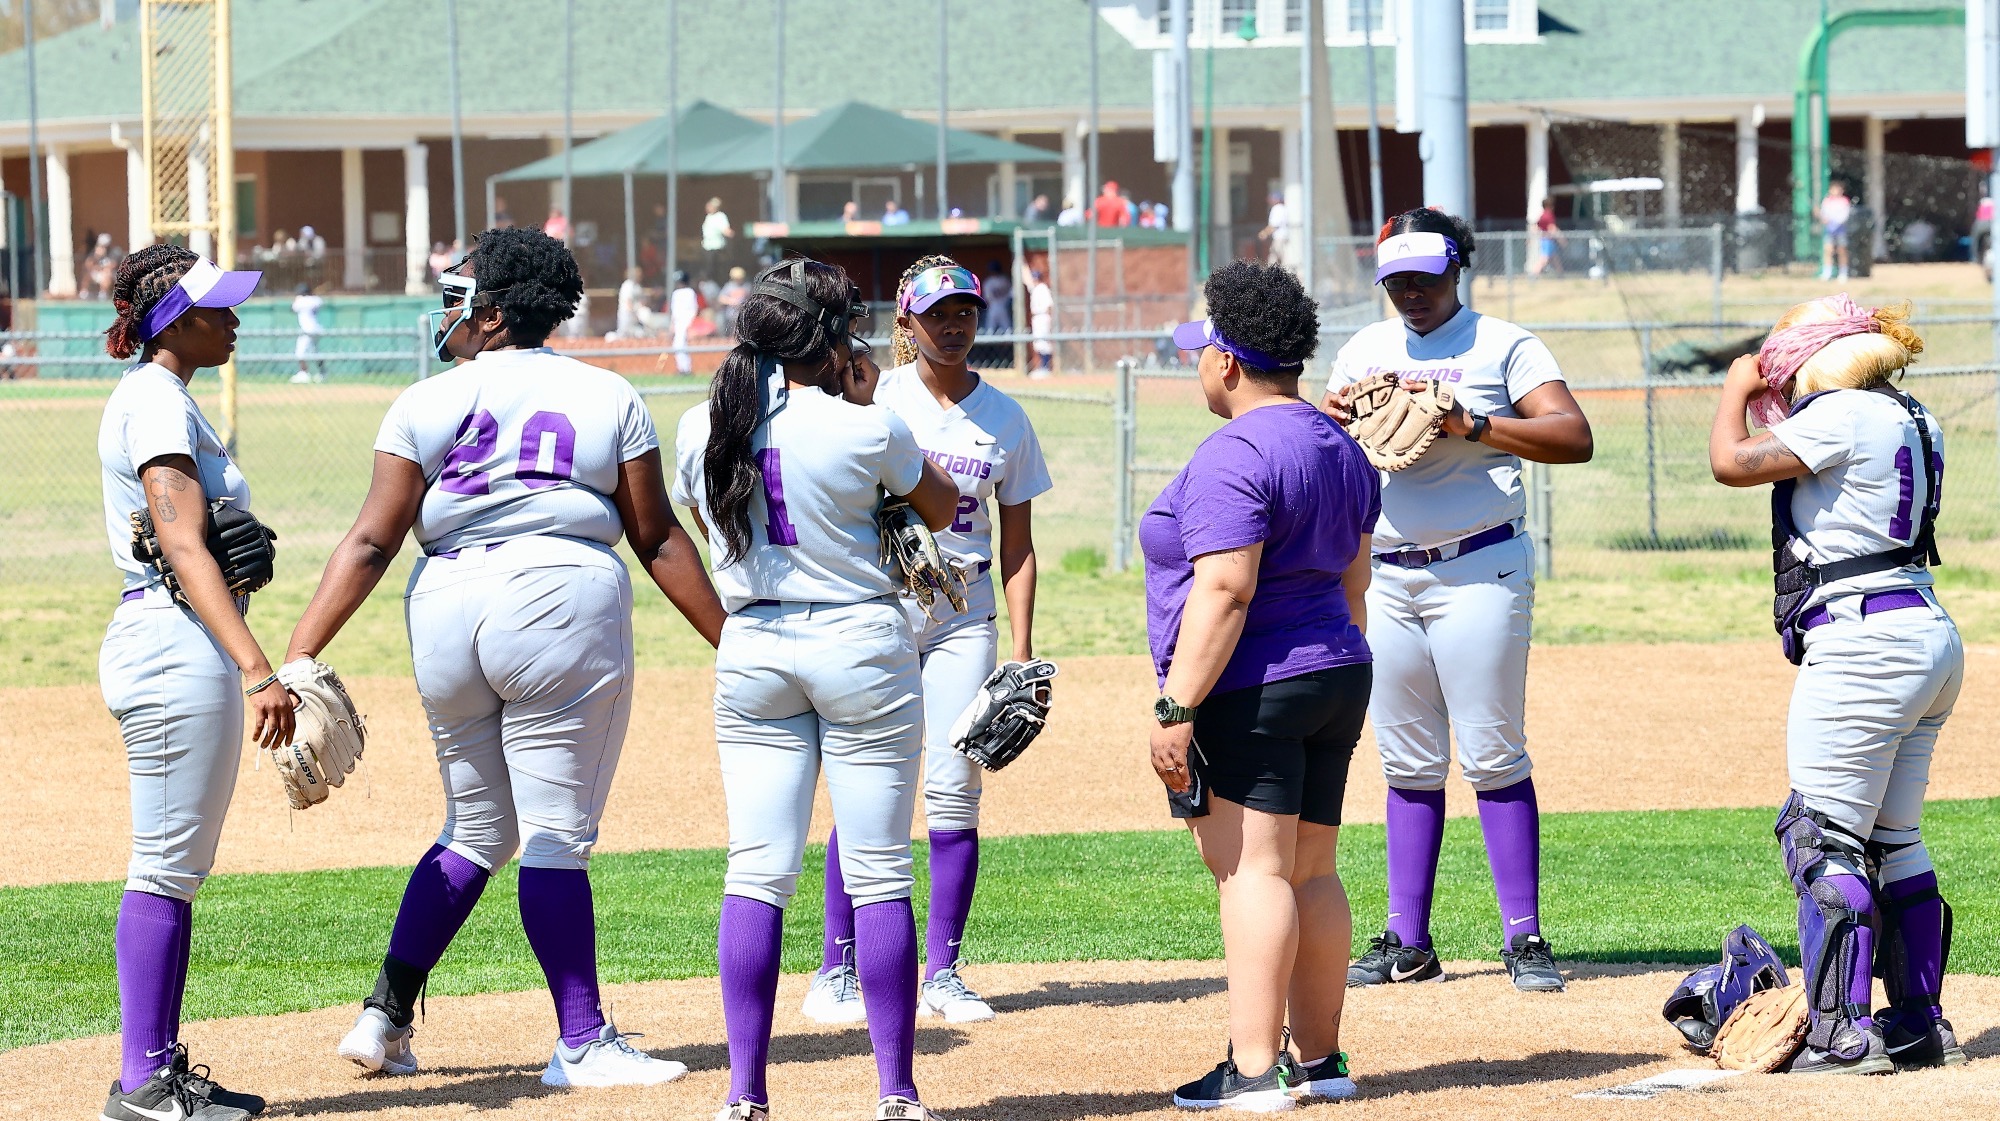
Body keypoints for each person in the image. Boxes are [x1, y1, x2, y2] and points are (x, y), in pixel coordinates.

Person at [287, 227, 726, 1089]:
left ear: (494, 315)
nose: (448, 309)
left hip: (445, 599)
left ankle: (384, 1014)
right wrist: (735, 641)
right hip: (560, 595)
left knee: (478, 827)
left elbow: (375, 540)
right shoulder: (606, 392)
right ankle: (582, 1039)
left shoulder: (424, 399)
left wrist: (296, 656)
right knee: (555, 833)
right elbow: (657, 535)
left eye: (461, 295)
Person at [672, 258, 959, 1121]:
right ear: (831, 341)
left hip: (754, 640)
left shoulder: (700, 425)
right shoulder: (863, 425)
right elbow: (941, 508)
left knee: (757, 870)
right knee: (877, 872)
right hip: (859, 641)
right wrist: (865, 400)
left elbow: (707, 520)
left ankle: (745, 1093)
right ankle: (896, 1092)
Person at [1320, 208, 1594, 994]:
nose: (1409, 291)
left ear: (1456, 269)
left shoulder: (1502, 343)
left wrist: (1472, 422)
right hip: (1387, 571)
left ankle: (1524, 934)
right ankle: (1408, 936)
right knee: (1406, 761)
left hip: (1479, 569)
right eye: (1396, 279)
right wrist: (1333, 421)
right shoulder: (1367, 348)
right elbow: (1338, 449)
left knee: (1493, 751)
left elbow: (1573, 437)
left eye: (1424, 276)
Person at [1708, 295, 1963, 1074]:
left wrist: (1733, 388)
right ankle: (1920, 1023)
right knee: (1896, 838)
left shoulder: (1846, 413)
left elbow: (1731, 461)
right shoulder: (1910, 412)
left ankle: (1843, 1033)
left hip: (1864, 643)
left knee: (1821, 840)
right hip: (1925, 631)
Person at [1144, 260, 1376, 1111]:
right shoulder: (1335, 442)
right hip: (1336, 668)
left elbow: (1226, 588)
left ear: (1229, 362)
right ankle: (1320, 1061)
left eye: (1203, 348)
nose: (1198, 363)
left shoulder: (1233, 451)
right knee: (1312, 869)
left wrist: (1177, 705)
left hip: (1255, 681)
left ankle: (1252, 1070)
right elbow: (1356, 576)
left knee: (1254, 874)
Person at [800, 257, 1052, 1028]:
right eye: (937, 313)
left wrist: (1022, 644)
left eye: (966, 311)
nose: (954, 324)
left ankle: (942, 969)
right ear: (905, 323)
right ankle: (835, 966)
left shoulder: (1005, 419)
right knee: (872, 783)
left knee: (954, 788)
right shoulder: (876, 397)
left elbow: (1018, 543)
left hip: (962, 614)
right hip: (878, 608)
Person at [96, 245, 293, 1121]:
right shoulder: (152, 399)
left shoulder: (168, 397)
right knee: (165, 865)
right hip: (174, 643)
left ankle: (157, 1069)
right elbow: (181, 542)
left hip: (177, 637)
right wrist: (258, 666)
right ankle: (144, 1081)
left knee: (177, 866)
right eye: (219, 309)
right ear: (174, 319)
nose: (235, 320)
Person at [1818, 181, 1854, 281]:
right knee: (1828, 250)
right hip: (1829, 230)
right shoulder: (1826, 201)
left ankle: (1843, 273)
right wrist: (1823, 218)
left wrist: (1836, 222)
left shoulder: (1844, 201)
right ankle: (1827, 273)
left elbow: (1844, 216)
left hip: (1840, 230)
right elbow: (1824, 214)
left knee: (1841, 250)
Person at [290, 284, 325, 383]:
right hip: (316, 329)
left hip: (307, 330)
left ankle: (304, 373)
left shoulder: (301, 301)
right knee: (315, 352)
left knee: (300, 352)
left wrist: (298, 299)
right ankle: (322, 373)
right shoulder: (316, 300)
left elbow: (292, 309)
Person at [671, 270, 700, 374]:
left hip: (686, 321)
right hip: (678, 322)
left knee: (683, 345)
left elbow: (694, 309)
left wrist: (690, 323)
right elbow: (674, 311)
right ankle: (681, 368)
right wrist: (672, 324)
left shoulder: (689, 292)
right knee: (677, 345)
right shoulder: (676, 293)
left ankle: (686, 368)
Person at [1026, 268, 1054, 377]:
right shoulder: (1036, 288)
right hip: (1037, 317)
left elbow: (1049, 305)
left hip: (1043, 316)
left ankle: (1046, 367)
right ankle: (1043, 366)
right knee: (1038, 342)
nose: (1034, 279)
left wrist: (1048, 319)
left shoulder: (1043, 288)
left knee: (1044, 342)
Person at [703, 197, 736, 281]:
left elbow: (725, 229)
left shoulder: (720, 216)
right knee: (708, 269)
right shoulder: (709, 217)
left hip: (716, 247)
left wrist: (730, 233)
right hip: (708, 247)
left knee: (715, 270)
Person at [980, 258, 1012, 336]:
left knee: (989, 331)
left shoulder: (989, 281)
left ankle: (990, 347)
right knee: (1008, 330)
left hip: (994, 307)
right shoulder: (1005, 280)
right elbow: (1010, 295)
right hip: (1003, 307)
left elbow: (987, 299)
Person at [1532, 199, 1564, 277]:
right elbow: (1552, 228)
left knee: (1555, 259)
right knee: (1544, 259)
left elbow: (1536, 227)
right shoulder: (1549, 215)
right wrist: (1561, 238)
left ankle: (1561, 275)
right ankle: (1533, 275)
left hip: (1546, 240)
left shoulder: (1542, 216)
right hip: (1548, 240)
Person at [615, 267, 648, 340]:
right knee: (624, 334)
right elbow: (628, 301)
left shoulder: (637, 286)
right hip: (627, 313)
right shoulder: (628, 285)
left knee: (636, 334)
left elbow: (641, 300)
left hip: (636, 313)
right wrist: (632, 312)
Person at [1258, 192, 1290, 266]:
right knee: (1278, 259)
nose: (1270, 200)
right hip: (1284, 237)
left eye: (1272, 199)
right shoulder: (1283, 208)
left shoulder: (1277, 208)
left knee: (1275, 260)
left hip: (1279, 238)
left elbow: (1274, 225)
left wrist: (1264, 233)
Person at [718, 266, 750, 336]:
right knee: (731, 334)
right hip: (731, 315)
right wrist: (732, 301)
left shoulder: (747, 286)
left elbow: (751, 299)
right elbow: (721, 298)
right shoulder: (729, 286)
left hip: (743, 315)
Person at [85, 232, 118, 299]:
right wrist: (96, 256)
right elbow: (87, 264)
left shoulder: (114, 251)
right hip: (98, 272)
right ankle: (84, 293)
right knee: (87, 274)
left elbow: (113, 265)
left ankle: (103, 293)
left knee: (107, 272)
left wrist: (101, 268)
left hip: (110, 273)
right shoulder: (96, 251)